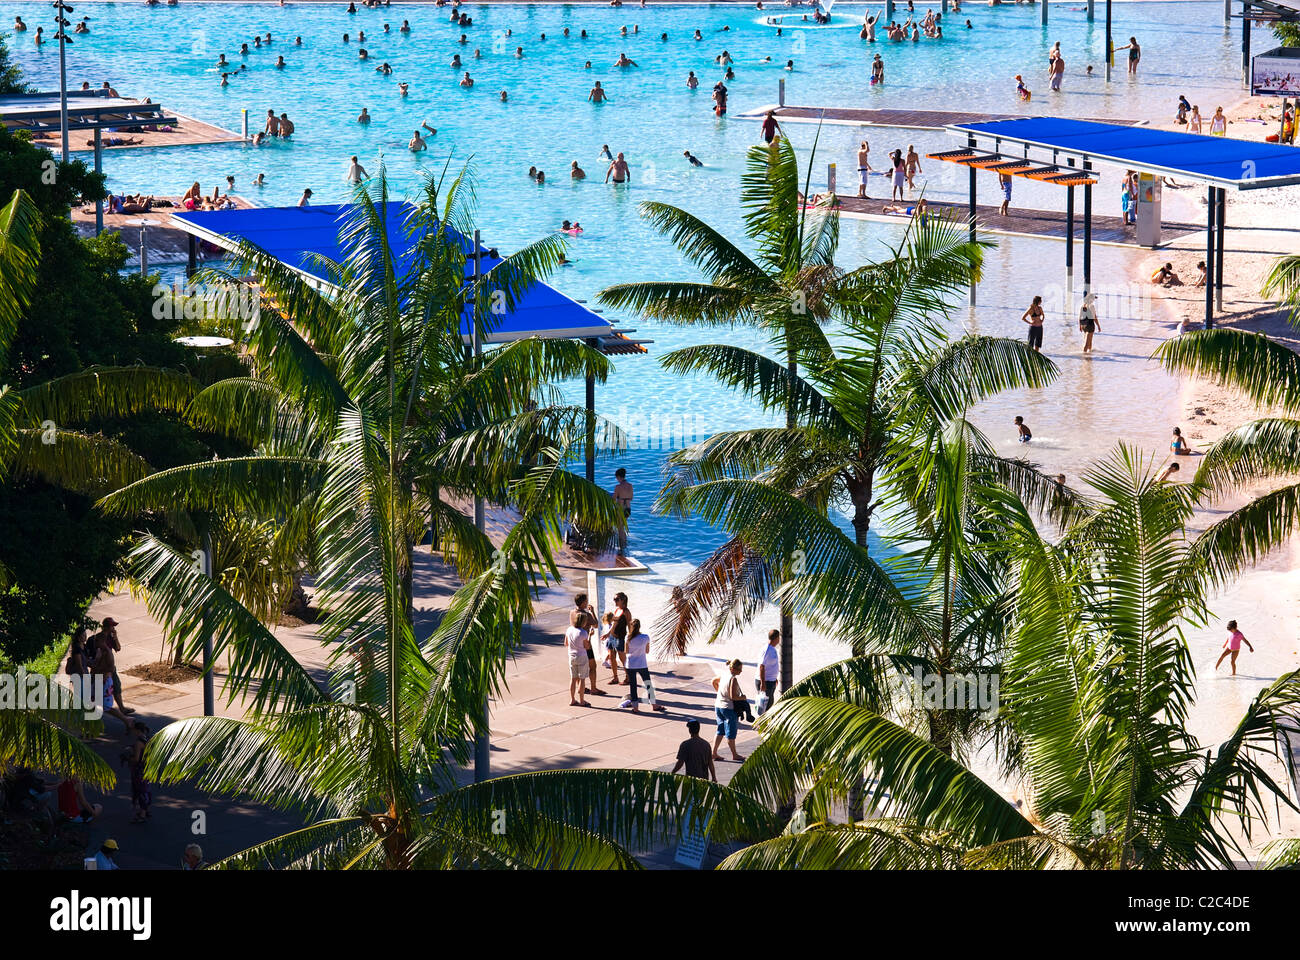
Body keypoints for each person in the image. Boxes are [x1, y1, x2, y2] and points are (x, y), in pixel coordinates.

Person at [620, 620, 665, 712]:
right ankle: (654, 705)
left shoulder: (628, 637)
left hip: (630, 664)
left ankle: (635, 707)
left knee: (633, 686)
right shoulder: (645, 637)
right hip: (642, 664)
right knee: (648, 684)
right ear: (639, 626)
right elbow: (647, 651)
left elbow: (626, 651)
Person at [712, 659, 747, 761]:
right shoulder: (733, 679)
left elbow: (713, 681)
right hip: (728, 708)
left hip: (718, 706)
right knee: (730, 733)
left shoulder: (724, 675)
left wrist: (720, 693)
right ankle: (734, 754)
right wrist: (743, 698)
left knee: (720, 730)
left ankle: (714, 753)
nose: (741, 671)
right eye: (739, 669)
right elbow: (733, 697)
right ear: (733, 669)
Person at [123, 720, 152, 823]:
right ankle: (146, 810)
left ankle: (142, 814)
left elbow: (136, 759)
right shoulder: (147, 739)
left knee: (140, 790)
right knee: (146, 789)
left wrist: (127, 758)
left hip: (139, 769)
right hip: (147, 767)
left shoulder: (138, 743)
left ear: (136, 730)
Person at [564, 610, 592, 707]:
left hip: (572, 656)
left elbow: (566, 643)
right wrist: (590, 636)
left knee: (573, 679)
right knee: (582, 679)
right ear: (583, 622)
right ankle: (582, 700)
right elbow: (587, 647)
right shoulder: (583, 633)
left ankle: (572, 699)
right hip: (582, 656)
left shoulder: (569, 630)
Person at [756, 628, 780, 714]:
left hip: (770, 680)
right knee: (764, 706)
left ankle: (764, 724)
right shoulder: (767, 650)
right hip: (766, 682)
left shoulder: (772, 649)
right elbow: (761, 666)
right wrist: (763, 683)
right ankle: (762, 725)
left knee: (769, 704)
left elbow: (770, 665)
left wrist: (775, 677)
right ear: (777, 638)